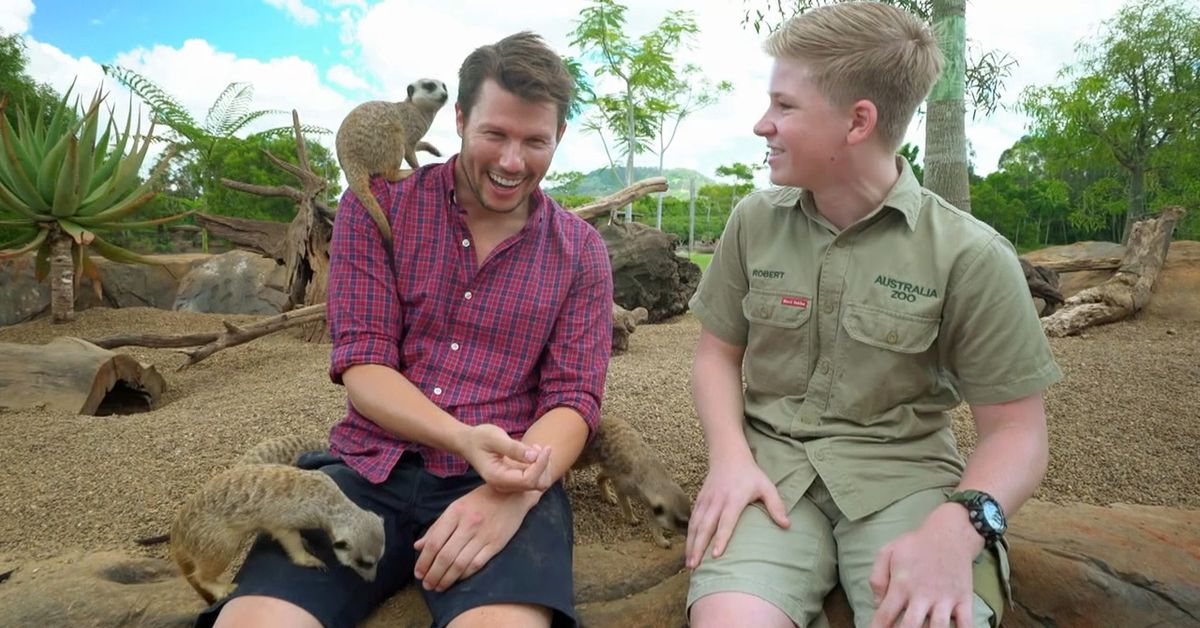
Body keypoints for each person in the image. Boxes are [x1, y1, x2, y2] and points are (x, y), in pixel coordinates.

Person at [198, 31, 613, 628]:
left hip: (501, 480)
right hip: (366, 470)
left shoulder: (581, 251)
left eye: (534, 141)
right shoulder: (379, 207)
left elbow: (574, 398)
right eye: (494, 134)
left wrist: (518, 492)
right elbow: (364, 364)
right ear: (460, 119)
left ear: (560, 136)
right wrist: (462, 439)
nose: (511, 162)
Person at [684, 3, 1062, 628]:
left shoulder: (970, 255)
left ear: (858, 121)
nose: (761, 124)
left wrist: (958, 526)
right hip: (769, 477)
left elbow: (1018, 432)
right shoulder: (753, 222)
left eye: (784, 105)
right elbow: (716, 355)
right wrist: (729, 459)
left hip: (906, 485)